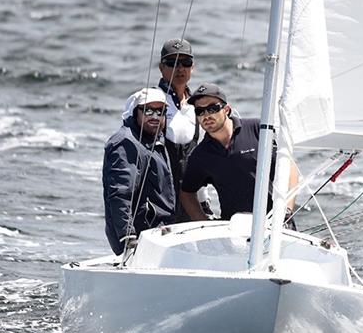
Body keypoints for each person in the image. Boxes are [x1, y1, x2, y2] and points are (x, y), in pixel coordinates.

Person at [179, 83, 298, 224]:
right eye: (200, 111)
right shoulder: (200, 155)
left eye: (212, 109)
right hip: (234, 230)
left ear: (226, 109)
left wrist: (287, 210)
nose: (206, 115)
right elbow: (187, 193)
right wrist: (203, 222)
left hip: (276, 224)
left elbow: (289, 166)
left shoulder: (258, 129)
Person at [102, 87, 175, 255]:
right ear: (136, 112)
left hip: (158, 233)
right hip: (139, 238)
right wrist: (127, 236)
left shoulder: (155, 139)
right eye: (148, 110)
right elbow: (120, 193)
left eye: (160, 111)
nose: (155, 116)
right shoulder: (126, 142)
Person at [156, 38, 210, 221]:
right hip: (159, 203)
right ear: (161, 67)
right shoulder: (150, 102)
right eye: (172, 63)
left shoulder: (199, 106)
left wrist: (204, 203)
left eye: (186, 62)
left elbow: (203, 159)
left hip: (192, 202)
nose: (180, 68)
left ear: (192, 67)